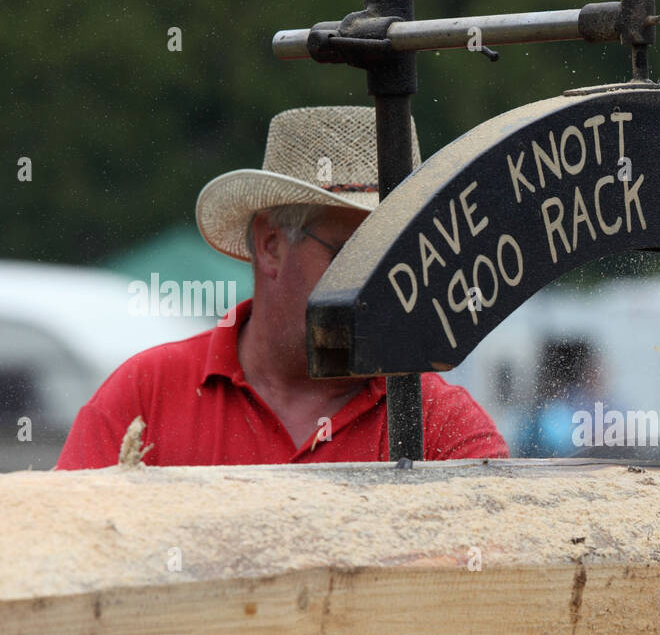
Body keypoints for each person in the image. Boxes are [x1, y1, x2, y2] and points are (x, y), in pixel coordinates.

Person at [56, 106, 508, 468]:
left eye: (398, 257)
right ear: (270, 245)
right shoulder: (145, 396)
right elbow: (68, 550)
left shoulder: (444, 425)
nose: (383, 282)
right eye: (352, 253)